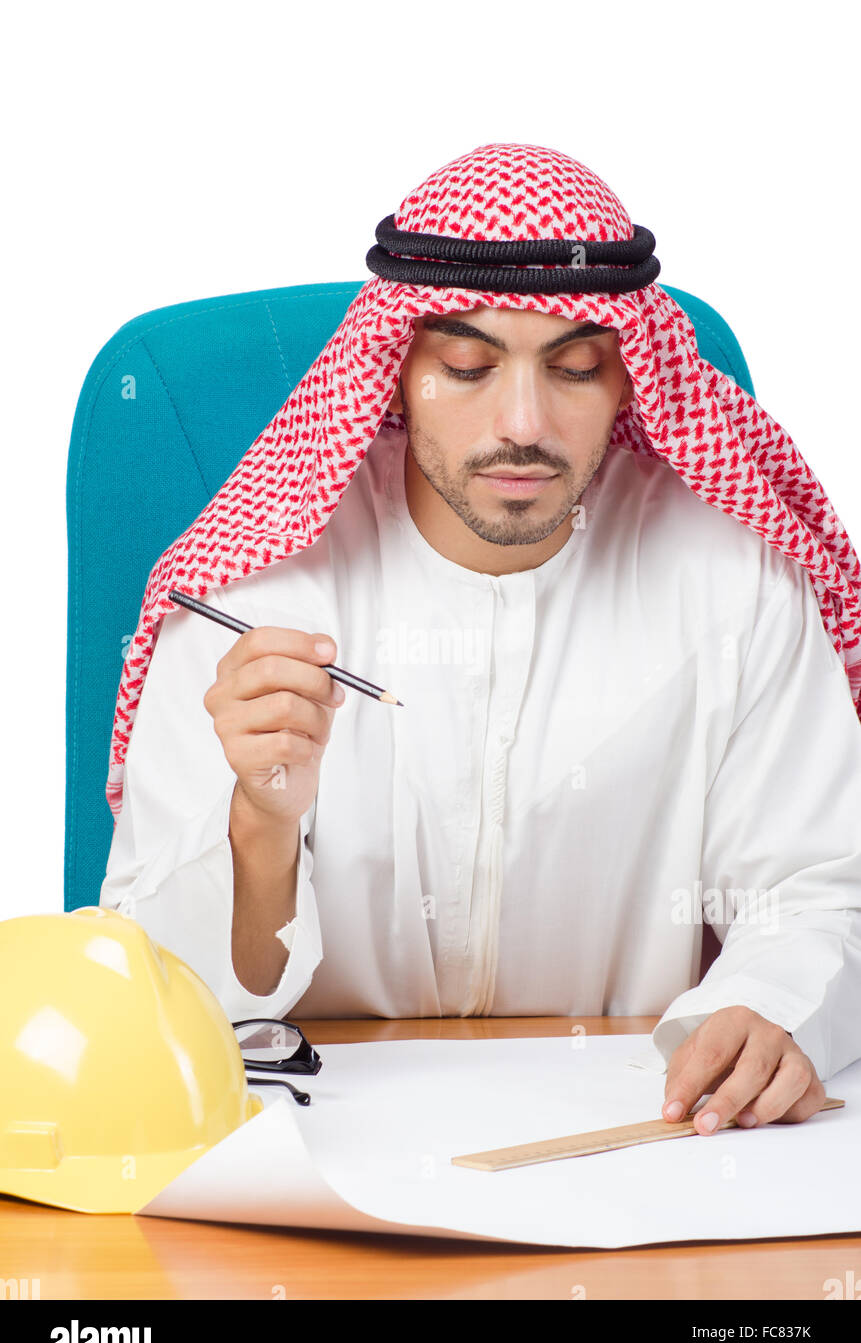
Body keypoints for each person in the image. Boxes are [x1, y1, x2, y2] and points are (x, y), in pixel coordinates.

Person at [99, 142, 861, 1139]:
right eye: (466, 366)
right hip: (309, 1153)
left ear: (631, 379)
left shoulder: (734, 580)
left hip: (635, 1143)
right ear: (397, 371)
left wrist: (766, 1010)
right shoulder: (252, 591)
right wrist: (259, 824)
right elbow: (149, 992)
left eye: (575, 367)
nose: (522, 422)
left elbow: (819, 891)